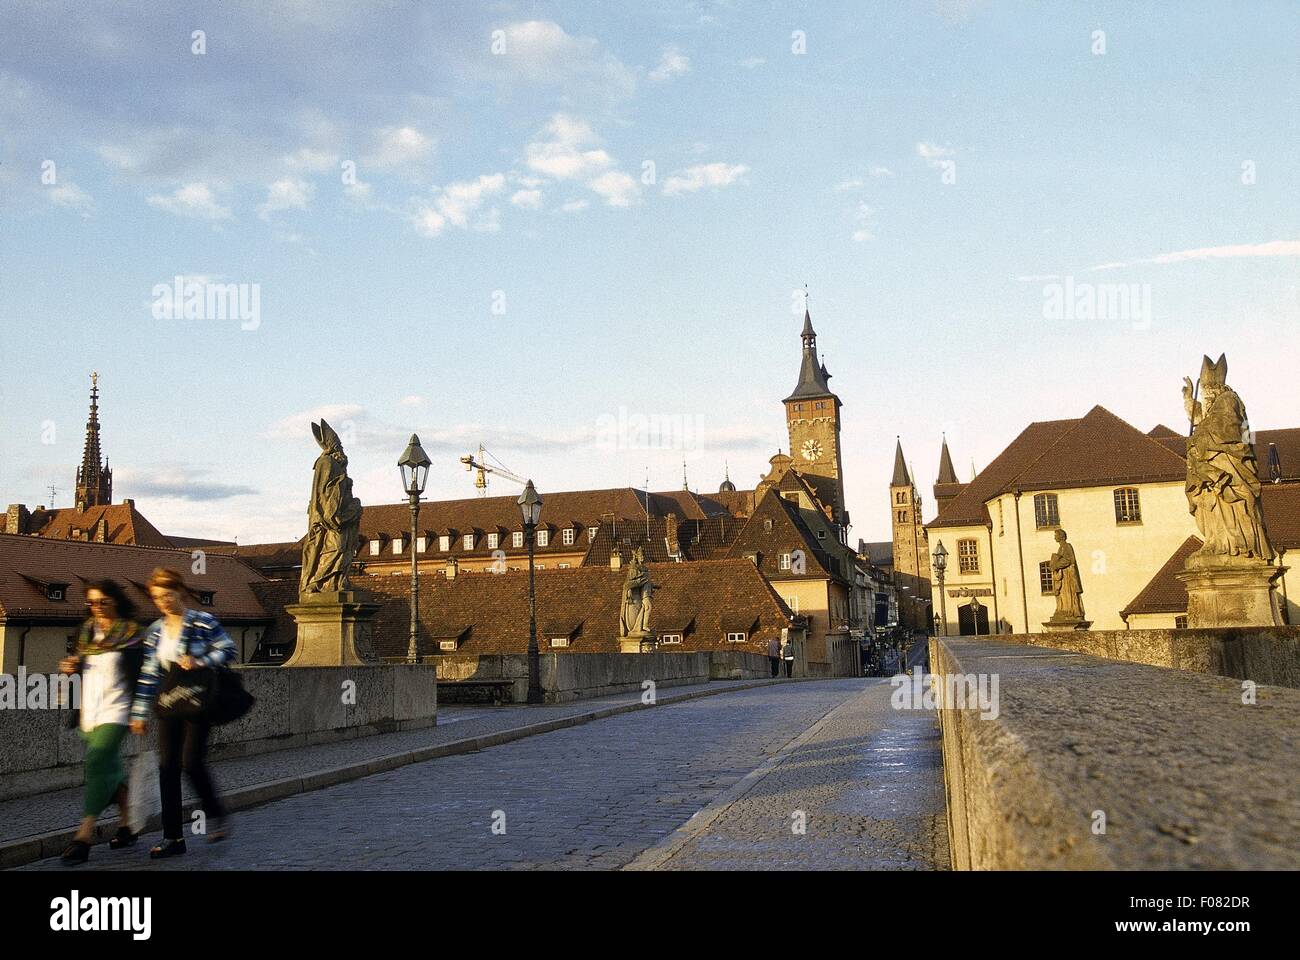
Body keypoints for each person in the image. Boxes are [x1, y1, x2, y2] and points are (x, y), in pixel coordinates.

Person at [130, 567, 237, 858]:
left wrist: (201, 660)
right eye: (156, 597)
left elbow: (229, 650)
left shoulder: (202, 621)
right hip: (169, 703)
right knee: (167, 768)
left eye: (168, 595)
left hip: (197, 701)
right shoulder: (155, 631)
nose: (163, 601)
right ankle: (173, 838)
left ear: (180, 592)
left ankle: (215, 811)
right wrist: (139, 712)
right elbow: (149, 675)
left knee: (190, 762)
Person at [58, 580, 145, 865]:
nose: (97, 608)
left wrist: (140, 712)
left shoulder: (132, 635)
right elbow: (84, 665)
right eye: (92, 603)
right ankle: (128, 821)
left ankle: (83, 836)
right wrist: (72, 667)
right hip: (89, 712)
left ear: (116, 601)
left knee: (96, 762)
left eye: (103, 602)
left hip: (117, 710)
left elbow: (143, 678)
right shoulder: (86, 633)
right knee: (109, 767)